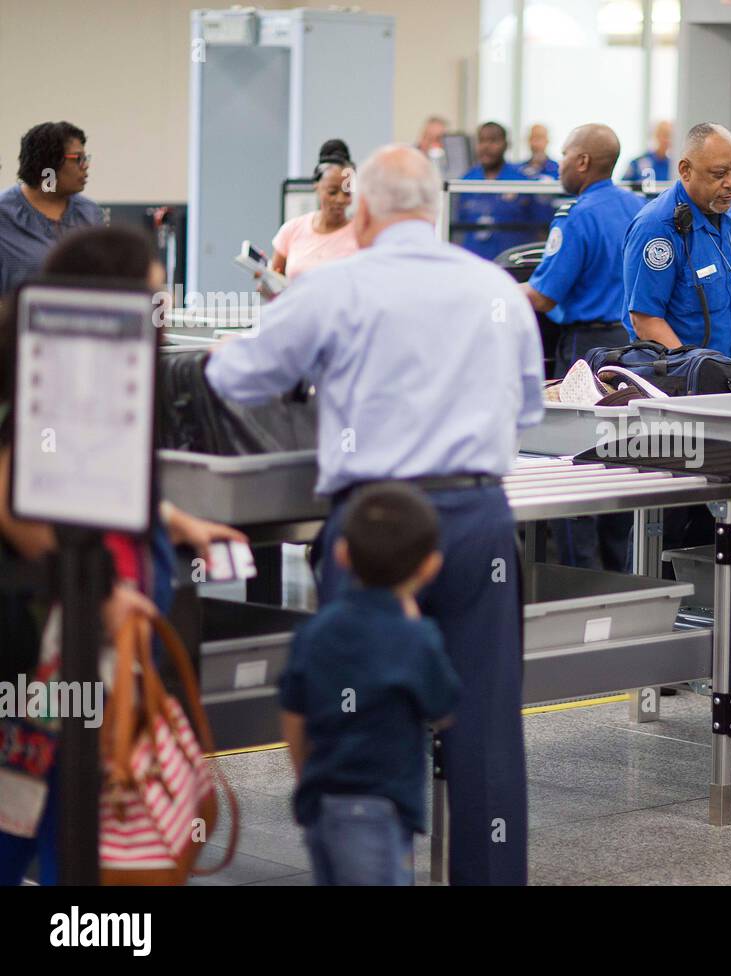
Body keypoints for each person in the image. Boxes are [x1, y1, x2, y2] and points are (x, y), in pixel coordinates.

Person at [205, 144, 544, 885]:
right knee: (485, 722)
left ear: (363, 213)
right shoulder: (494, 289)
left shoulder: (336, 288)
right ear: (437, 209)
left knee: (365, 721)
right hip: (478, 515)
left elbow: (237, 375)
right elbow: (528, 408)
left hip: (375, 526)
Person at [0, 225, 247, 885]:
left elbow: (100, 479)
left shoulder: (101, 376)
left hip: (99, 650)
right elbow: (19, 501)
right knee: (50, 809)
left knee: (64, 809)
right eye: (150, 297)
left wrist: (174, 519)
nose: (158, 317)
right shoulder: (46, 376)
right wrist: (99, 597)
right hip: (63, 653)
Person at [280, 482, 461, 886]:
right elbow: (444, 709)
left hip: (322, 802)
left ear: (341, 554)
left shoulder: (315, 631)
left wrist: (306, 777)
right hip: (382, 810)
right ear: (430, 566)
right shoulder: (416, 639)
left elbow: (294, 714)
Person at [522, 123, 644, 571]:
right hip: (631, 350)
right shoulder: (639, 207)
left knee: (573, 466)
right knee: (618, 460)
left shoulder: (576, 216)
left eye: (564, 154)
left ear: (583, 162)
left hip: (584, 353)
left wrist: (493, 289)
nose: (558, 163)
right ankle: (622, 581)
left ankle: (578, 582)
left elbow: (543, 295)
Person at [623, 122, 731, 369]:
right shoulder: (657, 227)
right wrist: (697, 373)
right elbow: (645, 319)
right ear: (685, 170)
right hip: (682, 379)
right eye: (719, 174)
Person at [0, 122, 103, 294]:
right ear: (48, 163)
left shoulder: (90, 213)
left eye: (86, 159)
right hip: (19, 319)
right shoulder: (4, 214)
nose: (85, 166)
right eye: (77, 159)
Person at [268, 139, 359, 285]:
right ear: (317, 187)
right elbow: (273, 285)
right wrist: (265, 284)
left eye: (347, 193)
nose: (340, 199)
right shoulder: (292, 230)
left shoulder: (361, 235)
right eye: (332, 192)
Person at [455, 121, 550, 260]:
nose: (486, 147)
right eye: (482, 141)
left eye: (493, 141)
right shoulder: (465, 182)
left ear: (506, 144)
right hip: (474, 262)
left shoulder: (523, 181)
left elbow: (542, 229)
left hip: (511, 265)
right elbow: (458, 227)